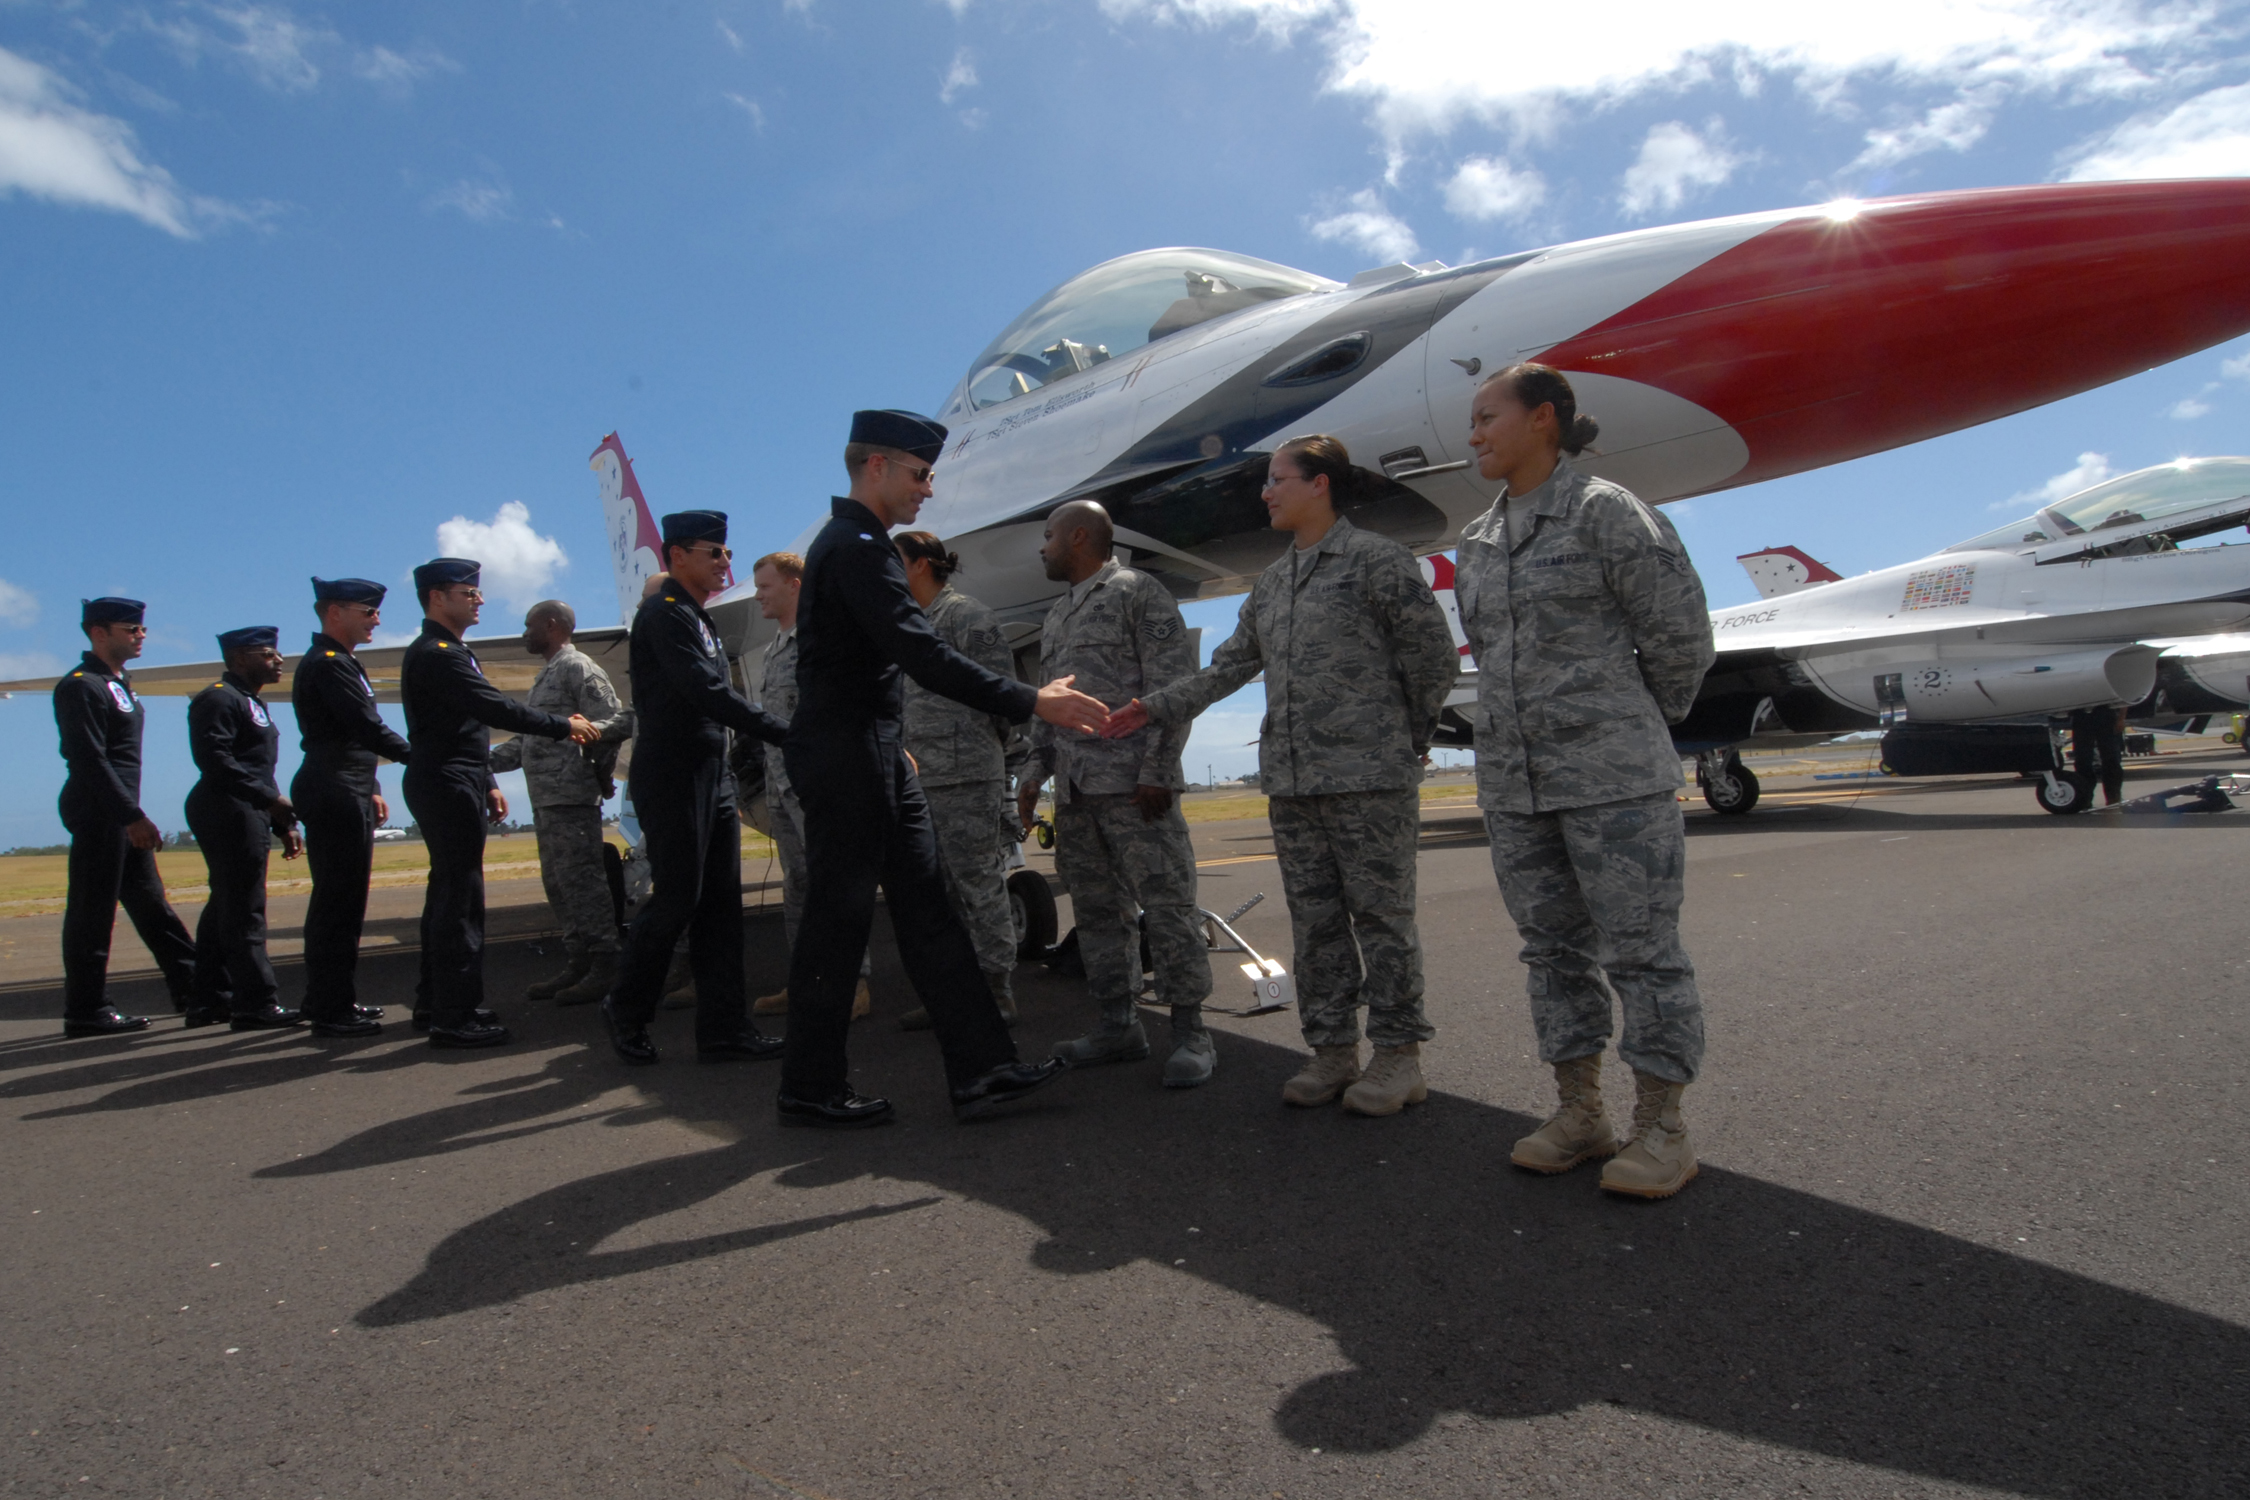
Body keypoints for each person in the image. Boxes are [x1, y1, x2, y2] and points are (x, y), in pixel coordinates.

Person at [1106, 435, 1458, 1114]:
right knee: (1315, 923)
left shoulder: (1376, 561)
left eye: (1277, 479)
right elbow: (1228, 667)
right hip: (1293, 784)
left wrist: (1403, 737)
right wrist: (1152, 706)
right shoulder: (1272, 583)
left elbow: (1432, 657)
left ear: (1320, 483)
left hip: (1368, 779)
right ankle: (1331, 1053)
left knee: (1383, 920)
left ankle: (1397, 1057)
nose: (1266, 492)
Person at [778, 408, 1108, 1127]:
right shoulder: (857, 546)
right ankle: (809, 1087)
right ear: (878, 467)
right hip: (849, 761)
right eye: (921, 474)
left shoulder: (857, 543)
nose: (929, 488)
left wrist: (883, 734)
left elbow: (851, 666)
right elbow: (917, 652)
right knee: (838, 925)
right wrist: (1032, 699)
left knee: (931, 915)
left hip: (871, 753)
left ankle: (982, 1070)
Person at [1454, 363, 1715, 1199]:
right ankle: (1580, 1112)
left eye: (1487, 416)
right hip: (1516, 784)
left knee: (1642, 953)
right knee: (1551, 953)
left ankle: (1662, 1126)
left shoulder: (1607, 511)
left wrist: (1626, 726)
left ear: (1542, 420)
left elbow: (1680, 639)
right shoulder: (1477, 540)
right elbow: (1493, 657)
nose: (1474, 434)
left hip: (1612, 779)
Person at [1017, 499, 1215, 1087]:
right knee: (1101, 915)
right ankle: (1118, 1025)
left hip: (1134, 788)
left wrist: (1158, 769)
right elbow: (1048, 704)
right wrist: (1033, 771)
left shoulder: (1137, 592)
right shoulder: (1057, 615)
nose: (1042, 547)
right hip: (1075, 792)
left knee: (1169, 909)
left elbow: (1174, 688)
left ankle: (1190, 1032)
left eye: (1049, 536)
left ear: (1080, 537)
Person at [597, 512, 794, 1067]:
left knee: (719, 907)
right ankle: (626, 1005)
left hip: (711, 771)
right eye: (715, 553)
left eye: (728, 554)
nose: (725, 563)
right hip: (674, 772)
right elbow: (704, 689)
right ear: (677, 555)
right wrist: (783, 731)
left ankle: (725, 1028)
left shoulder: (696, 618)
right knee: (679, 897)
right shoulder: (663, 617)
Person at [400, 559, 596, 1049]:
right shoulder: (440, 653)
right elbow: (492, 708)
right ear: (437, 597)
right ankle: (455, 1015)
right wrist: (561, 725)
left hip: (453, 775)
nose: (480, 599)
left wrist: (486, 776)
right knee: (460, 900)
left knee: (449, 895)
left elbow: (466, 725)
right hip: (447, 780)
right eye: (468, 592)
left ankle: (437, 1002)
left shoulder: (445, 651)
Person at [894, 531, 1028, 1030]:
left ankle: (997, 991)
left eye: (894, 562)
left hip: (968, 773)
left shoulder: (966, 616)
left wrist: (977, 752)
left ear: (920, 565)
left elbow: (1002, 697)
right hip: (920, 777)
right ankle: (953, 993)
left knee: (978, 884)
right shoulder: (907, 625)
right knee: (939, 894)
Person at [53, 596, 197, 1036]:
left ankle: (198, 991)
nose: (141, 636)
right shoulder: (82, 685)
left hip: (120, 812)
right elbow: (89, 759)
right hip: (101, 811)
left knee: (153, 905)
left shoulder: (119, 682)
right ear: (99, 633)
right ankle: (86, 1009)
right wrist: (131, 814)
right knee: (91, 913)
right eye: (130, 630)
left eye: (142, 629)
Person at [746, 550, 873, 1022]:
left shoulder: (818, 640)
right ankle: (807, 980)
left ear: (795, 585)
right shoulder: (776, 647)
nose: (758, 595)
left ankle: (854, 982)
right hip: (781, 784)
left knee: (835, 883)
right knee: (797, 886)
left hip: (817, 784)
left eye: (765, 586)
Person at [489, 600, 633, 1005]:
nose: (523, 634)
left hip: (571, 796)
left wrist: (600, 775)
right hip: (547, 800)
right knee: (558, 882)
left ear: (551, 626)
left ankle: (605, 962)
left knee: (582, 881)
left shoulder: (578, 668)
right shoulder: (546, 675)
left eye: (528, 626)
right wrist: (480, 763)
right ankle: (579, 959)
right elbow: (531, 738)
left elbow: (612, 723)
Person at [291, 577, 411, 1037]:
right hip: (334, 786)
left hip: (347, 782)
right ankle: (330, 1006)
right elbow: (364, 726)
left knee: (342, 901)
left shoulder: (341, 661)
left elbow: (352, 734)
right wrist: (417, 758)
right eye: (368, 612)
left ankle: (328, 996)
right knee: (338, 902)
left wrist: (375, 782)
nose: (377, 620)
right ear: (334, 612)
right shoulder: (329, 663)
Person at [182, 626, 306, 1030]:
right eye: (268, 654)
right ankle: (256, 1003)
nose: (279, 660)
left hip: (246, 806)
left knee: (225, 905)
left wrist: (277, 820)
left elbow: (256, 766)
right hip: (225, 808)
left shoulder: (248, 700)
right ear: (239, 659)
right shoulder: (218, 698)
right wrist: (269, 800)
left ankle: (209, 1000)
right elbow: (214, 759)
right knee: (244, 910)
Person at [2070, 704, 2127, 806]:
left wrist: (2121, 718)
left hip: (2105, 713)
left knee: (2111, 758)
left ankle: (2113, 797)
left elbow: (2123, 698)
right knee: (2083, 760)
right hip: (2081, 715)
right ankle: (2085, 798)